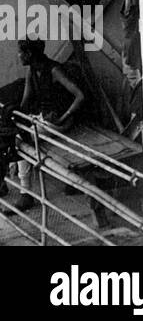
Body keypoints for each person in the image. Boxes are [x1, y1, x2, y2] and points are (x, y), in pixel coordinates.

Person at [5, 39, 86, 210]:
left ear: (29, 54)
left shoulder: (54, 69)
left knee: (21, 139)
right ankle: (19, 188)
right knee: (14, 133)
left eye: (21, 52)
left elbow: (80, 96)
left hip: (60, 121)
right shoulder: (32, 71)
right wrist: (13, 113)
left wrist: (64, 116)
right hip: (43, 118)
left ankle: (26, 193)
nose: (19, 55)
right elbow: (25, 103)